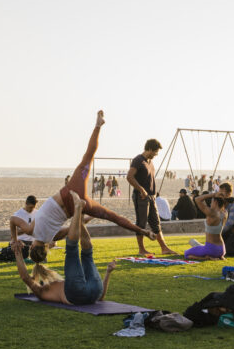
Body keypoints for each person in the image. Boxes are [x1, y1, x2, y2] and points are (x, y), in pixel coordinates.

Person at [29, 111, 156, 263]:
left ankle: (143, 231)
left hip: (78, 205)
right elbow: (13, 221)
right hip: (71, 193)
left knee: (112, 216)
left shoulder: (53, 237)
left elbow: (74, 227)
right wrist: (15, 237)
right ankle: (98, 125)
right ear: (31, 247)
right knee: (88, 157)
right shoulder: (32, 231)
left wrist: (86, 217)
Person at [14, 191, 117, 305]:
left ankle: (79, 213)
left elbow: (101, 297)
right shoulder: (41, 292)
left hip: (94, 292)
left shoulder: (44, 291)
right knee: (76, 250)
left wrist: (108, 272)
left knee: (86, 253)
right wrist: (17, 251)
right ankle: (78, 210)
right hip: (78, 293)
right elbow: (25, 277)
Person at [128, 138, 178, 256]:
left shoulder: (150, 162)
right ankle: (141, 249)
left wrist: (153, 194)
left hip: (151, 197)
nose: (156, 154)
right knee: (141, 223)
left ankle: (164, 248)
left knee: (156, 223)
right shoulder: (138, 160)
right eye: (155, 152)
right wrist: (141, 190)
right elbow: (129, 177)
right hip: (141, 197)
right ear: (149, 149)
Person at [185, 192, 227, 260]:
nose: (210, 204)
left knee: (186, 254)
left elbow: (197, 199)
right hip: (222, 249)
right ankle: (218, 256)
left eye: (211, 202)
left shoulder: (212, 213)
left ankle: (207, 258)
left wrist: (213, 194)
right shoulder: (224, 213)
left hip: (211, 249)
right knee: (195, 243)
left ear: (215, 202)